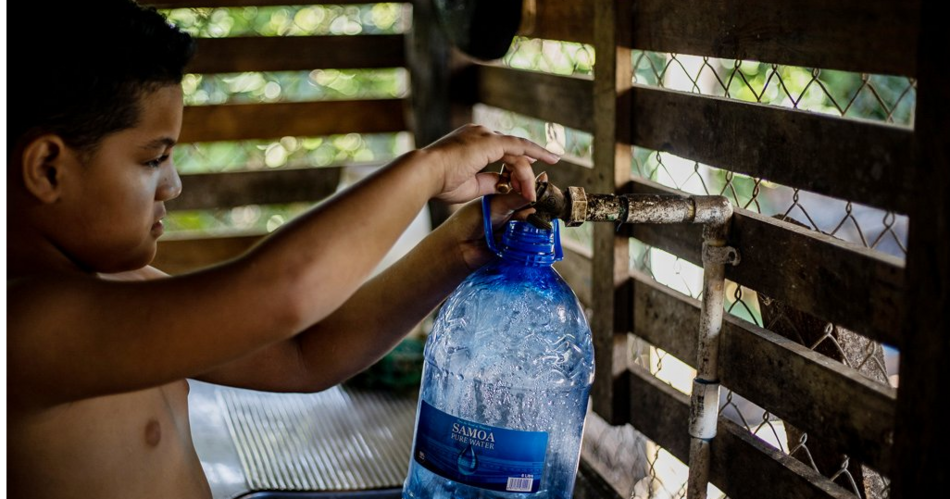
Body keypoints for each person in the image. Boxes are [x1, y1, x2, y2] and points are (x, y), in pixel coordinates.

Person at [6, 1, 558, 497]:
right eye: (152, 160)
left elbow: (305, 352)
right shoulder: (29, 328)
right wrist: (428, 167)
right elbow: (283, 294)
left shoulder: (119, 289)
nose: (173, 185)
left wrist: (460, 247)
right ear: (48, 169)